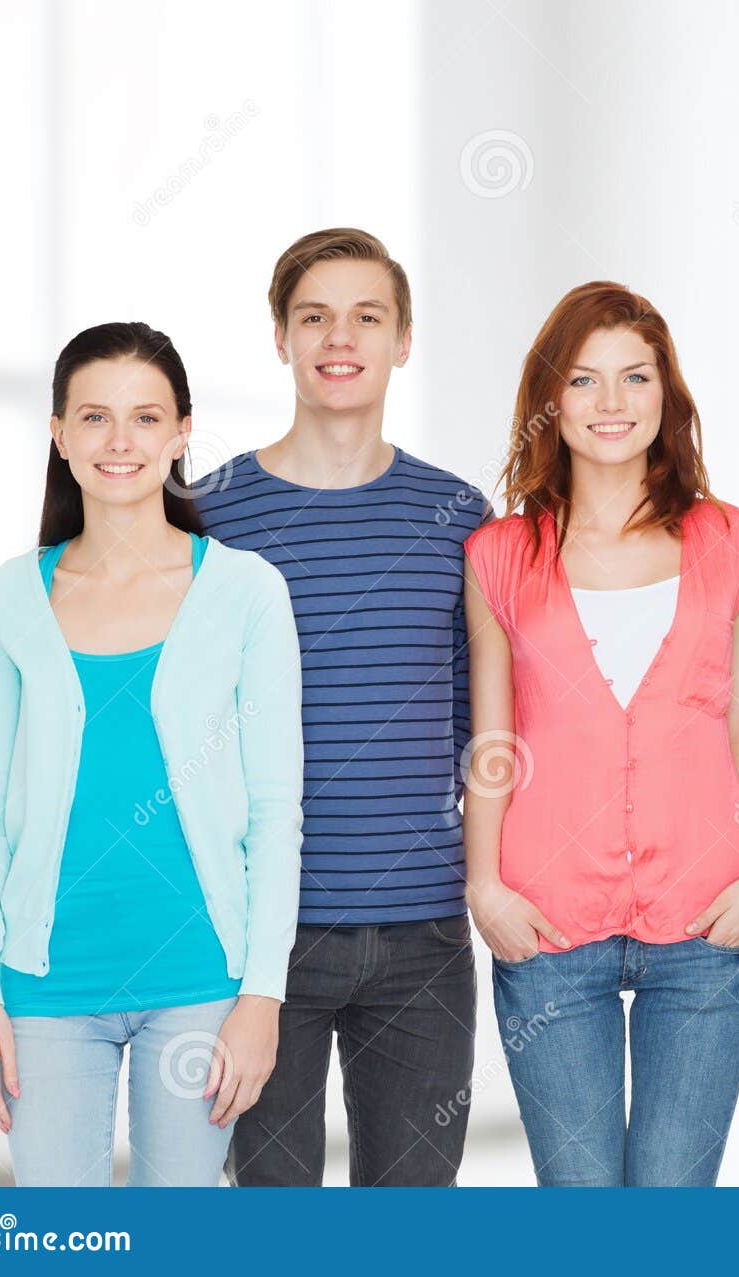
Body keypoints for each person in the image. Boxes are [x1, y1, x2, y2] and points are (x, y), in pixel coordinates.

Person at [0, 322, 303, 1186]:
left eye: (146, 418)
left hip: (198, 978)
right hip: (43, 985)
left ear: (183, 431)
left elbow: (275, 808)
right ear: (59, 433)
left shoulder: (247, 591)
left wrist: (263, 994)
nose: (121, 442)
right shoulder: (8, 598)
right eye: (96, 417)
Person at [463, 281, 739, 1186]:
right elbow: (495, 741)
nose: (611, 404)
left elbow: (738, 722)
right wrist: (483, 885)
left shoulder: (727, 539)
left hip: (706, 916)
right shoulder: (501, 553)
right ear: (550, 403)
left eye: (635, 378)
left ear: (666, 394)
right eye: (584, 380)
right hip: (547, 917)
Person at [188, 229, 487, 1186]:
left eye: (368, 315)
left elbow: (480, 728)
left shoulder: (458, 515)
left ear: (404, 339)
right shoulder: (207, 515)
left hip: (424, 940)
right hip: (257, 947)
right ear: (281, 338)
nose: (339, 336)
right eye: (314, 315)